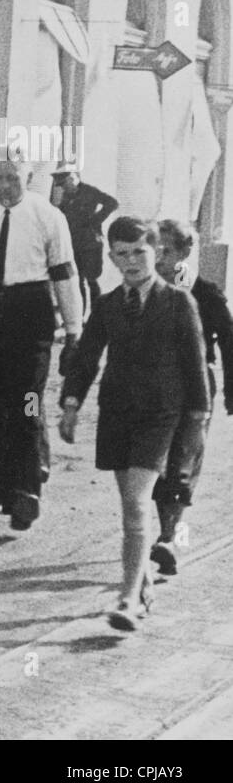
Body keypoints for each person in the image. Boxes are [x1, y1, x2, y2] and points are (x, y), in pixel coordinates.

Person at [59, 217, 208, 631]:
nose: (132, 261)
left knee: (137, 505)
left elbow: (196, 374)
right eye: (122, 254)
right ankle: (141, 584)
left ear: (156, 251)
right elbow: (87, 356)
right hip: (118, 415)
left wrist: (194, 430)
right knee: (131, 507)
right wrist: (71, 404)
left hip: (161, 417)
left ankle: (127, 599)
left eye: (140, 251)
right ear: (111, 258)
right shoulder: (107, 305)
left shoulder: (179, 303)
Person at [0, 151, 81, 529]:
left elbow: (64, 273)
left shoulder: (48, 216)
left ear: (28, 177)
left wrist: (74, 329)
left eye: (13, 178)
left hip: (30, 315)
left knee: (28, 401)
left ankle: (26, 489)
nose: (5, 187)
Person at [150, 219, 233, 575]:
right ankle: (162, 534)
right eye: (156, 248)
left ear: (185, 252)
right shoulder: (144, 290)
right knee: (155, 461)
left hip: (195, 390)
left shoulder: (205, 294)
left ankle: (170, 538)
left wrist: (232, 389)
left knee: (183, 464)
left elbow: (229, 342)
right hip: (152, 389)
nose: (160, 257)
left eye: (167, 250)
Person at [51, 168, 119, 314]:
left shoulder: (89, 191)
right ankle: (80, 316)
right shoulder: (67, 196)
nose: (62, 187)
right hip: (75, 244)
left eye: (63, 184)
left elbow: (112, 203)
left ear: (71, 179)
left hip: (90, 244)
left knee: (92, 280)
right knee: (78, 281)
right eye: (60, 185)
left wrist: (96, 220)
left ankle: (97, 315)